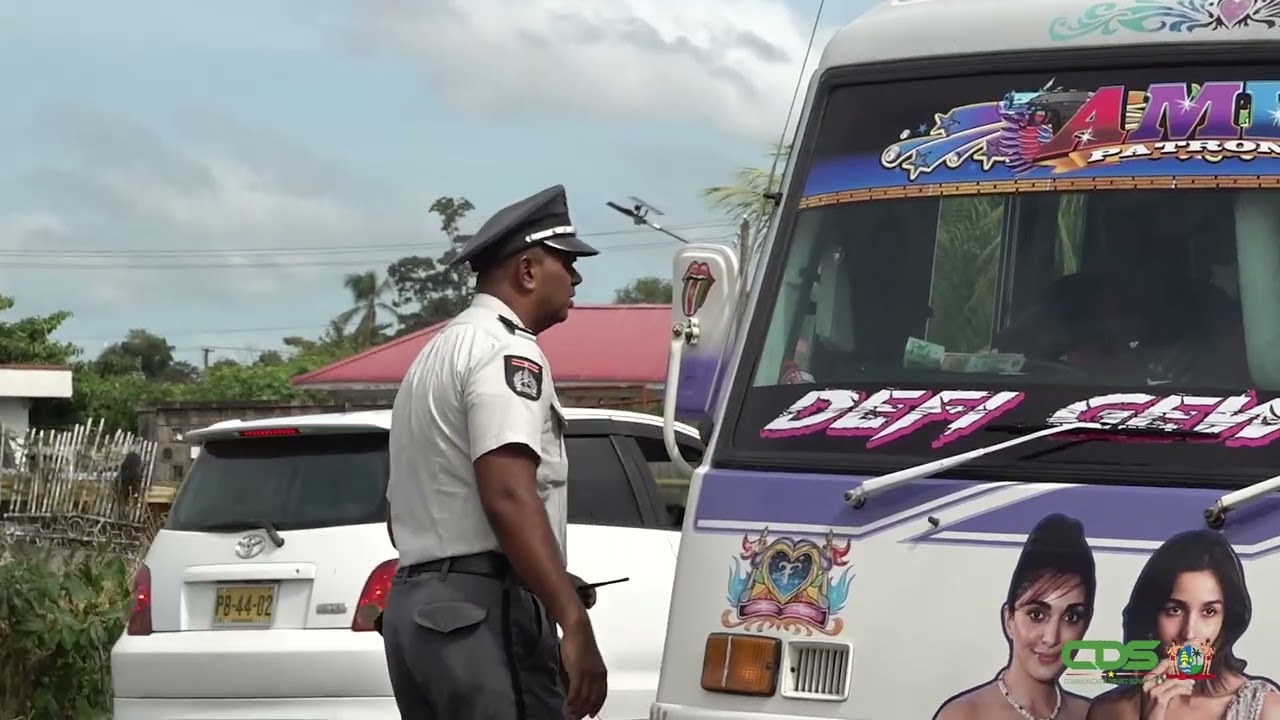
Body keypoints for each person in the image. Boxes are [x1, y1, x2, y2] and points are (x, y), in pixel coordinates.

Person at [381, 184, 608, 720]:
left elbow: (402, 515)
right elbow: (507, 495)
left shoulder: (434, 354)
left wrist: (543, 575)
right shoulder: (508, 349)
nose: (576, 277)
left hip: (418, 613)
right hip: (480, 615)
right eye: (567, 261)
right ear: (528, 271)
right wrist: (572, 620)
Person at [1085, 530, 1280, 720]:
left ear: (1226, 620)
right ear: (1152, 615)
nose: (1189, 632)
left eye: (1208, 612)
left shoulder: (1266, 710)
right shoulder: (1110, 711)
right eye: (1175, 610)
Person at [933, 513, 1097, 720]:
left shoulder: (1092, 715)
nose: (1051, 638)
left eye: (1071, 618)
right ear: (1009, 619)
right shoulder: (964, 715)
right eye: (1037, 615)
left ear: (1085, 627)